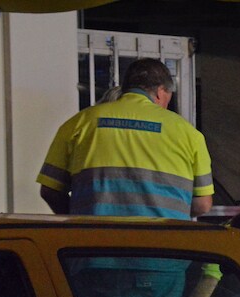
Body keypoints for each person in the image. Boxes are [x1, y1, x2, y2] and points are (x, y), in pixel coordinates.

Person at [37, 58, 213, 219]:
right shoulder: (189, 133)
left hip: (93, 246)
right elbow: (203, 204)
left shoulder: (79, 123)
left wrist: (78, 220)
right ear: (160, 92)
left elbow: (50, 190)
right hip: (164, 248)